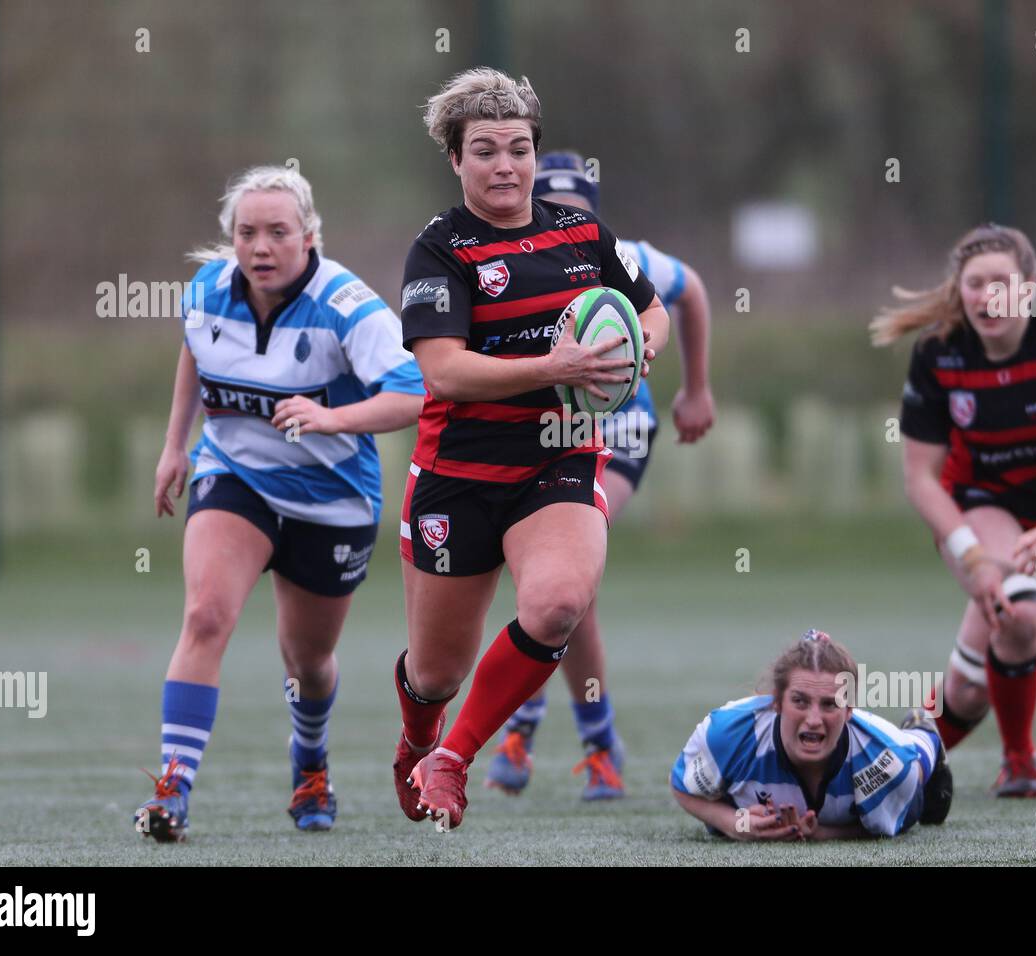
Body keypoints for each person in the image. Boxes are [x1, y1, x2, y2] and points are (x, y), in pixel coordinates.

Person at [393, 68, 670, 830]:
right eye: (484, 150)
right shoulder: (439, 251)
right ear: (456, 160)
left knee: (556, 606)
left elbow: (653, 313)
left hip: (558, 458)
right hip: (458, 476)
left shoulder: (584, 236)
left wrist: (637, 348)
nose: (505, 165)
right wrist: (556, 367)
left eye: (518, 148)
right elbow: (445, 370)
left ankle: (452, 758)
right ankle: (419, 737)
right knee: (436, 671)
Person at [137, 165, 425, 842]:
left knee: (308, 661)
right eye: (246, 233)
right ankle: (173, 786)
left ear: (310, 236)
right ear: (230, 239)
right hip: (236, 476)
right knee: (206, 616)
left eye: (277, 232)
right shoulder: (209, 288)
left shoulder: (347, 306)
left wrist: (334, 421)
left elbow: (415, 393)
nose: (260, 246)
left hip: (333, 500)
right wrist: (175, 445)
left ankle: (311, 762)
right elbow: (194, 350)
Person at [485, 150, 716, 800]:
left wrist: (694, 387)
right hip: (537, 437)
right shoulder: (506, 265)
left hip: (616, 432)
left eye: (577, 210)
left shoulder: (623, 257)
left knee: (566, 580)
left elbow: (690, 291)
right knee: (558, 588)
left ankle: (553, 730)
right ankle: (595, 742)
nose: (563, 219)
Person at [871, 223, 1036, 797]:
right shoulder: (939, 352)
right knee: (1022, 613)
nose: (989, 298)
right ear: (958, 290)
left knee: (968, 690)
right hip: (975, 506)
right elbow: (920, 479)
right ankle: (1020, 762)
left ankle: (879, 761)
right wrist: (975, 558)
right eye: (975, 284)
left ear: (1030, 288)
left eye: (1002, 284)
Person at [671, 630, 953, 840]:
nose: (814, 719)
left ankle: (922, 732)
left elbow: (880, 831)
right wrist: (733, 823)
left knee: (922, 788)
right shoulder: (726, 734)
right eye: (800, 701)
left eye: (830, 704)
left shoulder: (888, 763)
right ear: (777, 702)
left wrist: (823, 833)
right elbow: (682, 787)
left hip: (899, 760)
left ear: (849, 710)